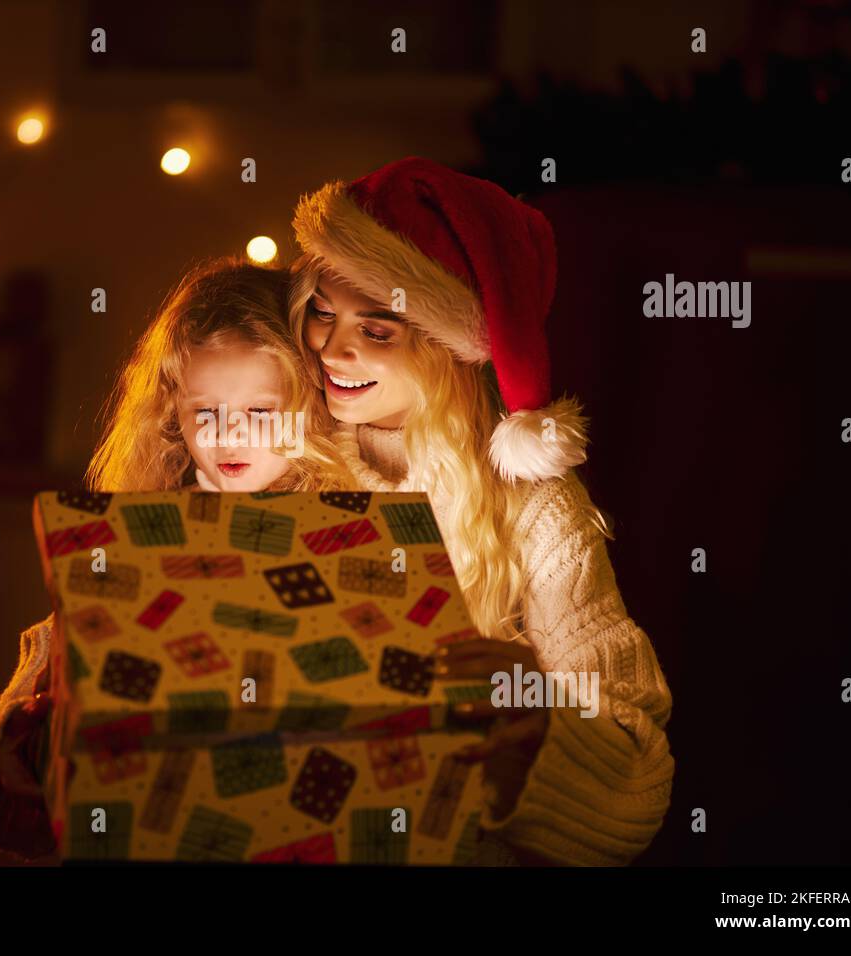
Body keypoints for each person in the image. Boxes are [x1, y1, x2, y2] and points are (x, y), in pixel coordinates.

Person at [287, 156, 675, 866]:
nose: (331, 347)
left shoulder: (533, 508)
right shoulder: (278, 459)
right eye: (321, 312)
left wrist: (534, 738)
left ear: (450, 347)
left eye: (376, 329)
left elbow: (635, 779)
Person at [0, 257, 352, 860]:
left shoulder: (344, 531)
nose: (230, 436)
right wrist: (32, 729)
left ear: (309, 405)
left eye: (260, 413)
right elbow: (21, 795)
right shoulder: (142, 533)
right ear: (172, 415)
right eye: (205, 413)